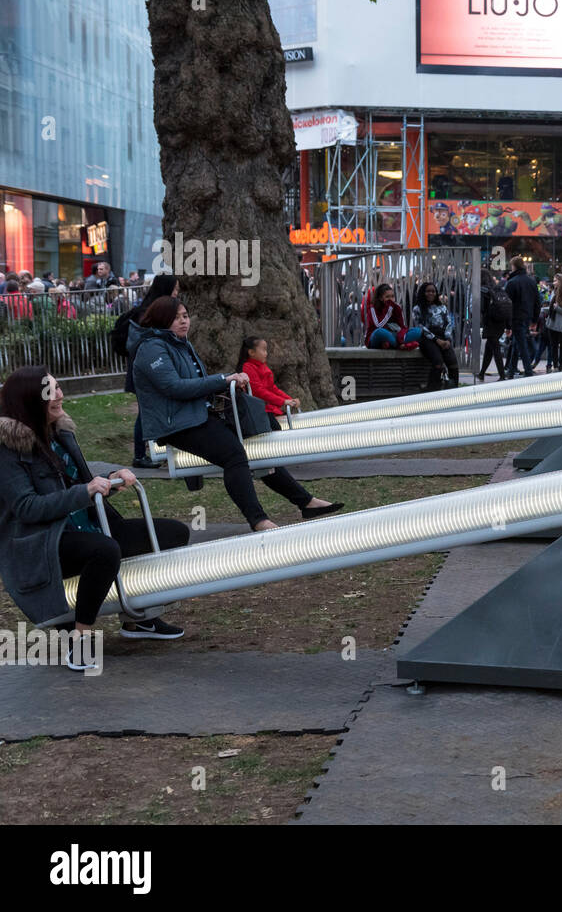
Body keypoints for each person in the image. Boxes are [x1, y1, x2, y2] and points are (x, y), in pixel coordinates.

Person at [0, 367, 191, 666]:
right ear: (29, 401)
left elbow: (80, 484)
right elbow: (27, 507)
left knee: (174, 533)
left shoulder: (59, 433)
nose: (60, 395)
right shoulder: (8, 449)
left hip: (84, 524)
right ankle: (79, 638)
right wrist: (85, 492)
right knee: (104, 550)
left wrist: (110, 480)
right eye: (50, 392)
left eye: (59, 387)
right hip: (44, 542)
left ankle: (137, 619)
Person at [130, 297, 342, 532]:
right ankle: (259, 520)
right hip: (177, 424)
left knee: (256, 444)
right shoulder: (152, 348)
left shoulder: (179, 343)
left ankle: (306, 502)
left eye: (185, 316)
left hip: (195, 415)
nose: (183, 321)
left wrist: (225, 382)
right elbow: (174, 387)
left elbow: (194, 383)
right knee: (234, 454)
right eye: (176, 317)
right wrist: (223, 379)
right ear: (161, 319)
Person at [111, 272, 179, 469]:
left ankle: (156, 452)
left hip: (150, 369)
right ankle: (141, 455)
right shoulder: (152, 313)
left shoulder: (148, 309)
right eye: (174, 289)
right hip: (148, 371)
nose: (176, 293)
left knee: (155, 411)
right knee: (147, 413)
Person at [235, 336, 301, 423]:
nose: (266, 353)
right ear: (251, 352)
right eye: (263, 350)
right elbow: (259, 391)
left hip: (269, 409)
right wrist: (283, 401)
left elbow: (272, 388)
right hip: (260, 411)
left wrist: (289, 399)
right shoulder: (247, 367)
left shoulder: (262, 366)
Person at [411, 282, 459, 391]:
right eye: (428, 291)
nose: (431, 293)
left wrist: (447, 339)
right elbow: (420, 326)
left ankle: (454, 390)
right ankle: (432, 390)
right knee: (438, 363)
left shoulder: (442, 307)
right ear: (423, 293)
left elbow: (448, 323)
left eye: (433, 291)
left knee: (453, 363)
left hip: (443, 337)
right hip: (427, 338)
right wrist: (436, 340)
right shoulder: (417, 309)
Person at [504, 257, 541, 378]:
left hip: (516, 317)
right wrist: (535, 320)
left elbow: (507, 305)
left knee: (521, 344)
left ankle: (528, 371)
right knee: (517, 342)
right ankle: (511, 370)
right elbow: (537, 302)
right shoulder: (531, 282)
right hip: (527, 316)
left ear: (514, 266)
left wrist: (507, 325)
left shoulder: (512, 282)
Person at [363, 283, 422, 350]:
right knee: (380, 332)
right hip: (377, 337)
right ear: (380, 298)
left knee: (417, 331)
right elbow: (378, 325)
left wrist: (401, 335)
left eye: (392, 296)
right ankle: (400, 346)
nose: (391, 299)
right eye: (387, 297)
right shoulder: (372, 309)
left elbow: (402, 327)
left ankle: (394, 344)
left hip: (394, 335)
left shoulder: (397, 307)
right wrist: (388, 310)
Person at [477, 273, 511, 381]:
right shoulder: (498, 288)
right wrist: (508, 325)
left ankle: (502, 375)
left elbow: (482, 308)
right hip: (500, 322)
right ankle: (482, 373)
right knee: (489, 348)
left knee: (495, 349)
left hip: (491, 322)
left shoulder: (484, 290)